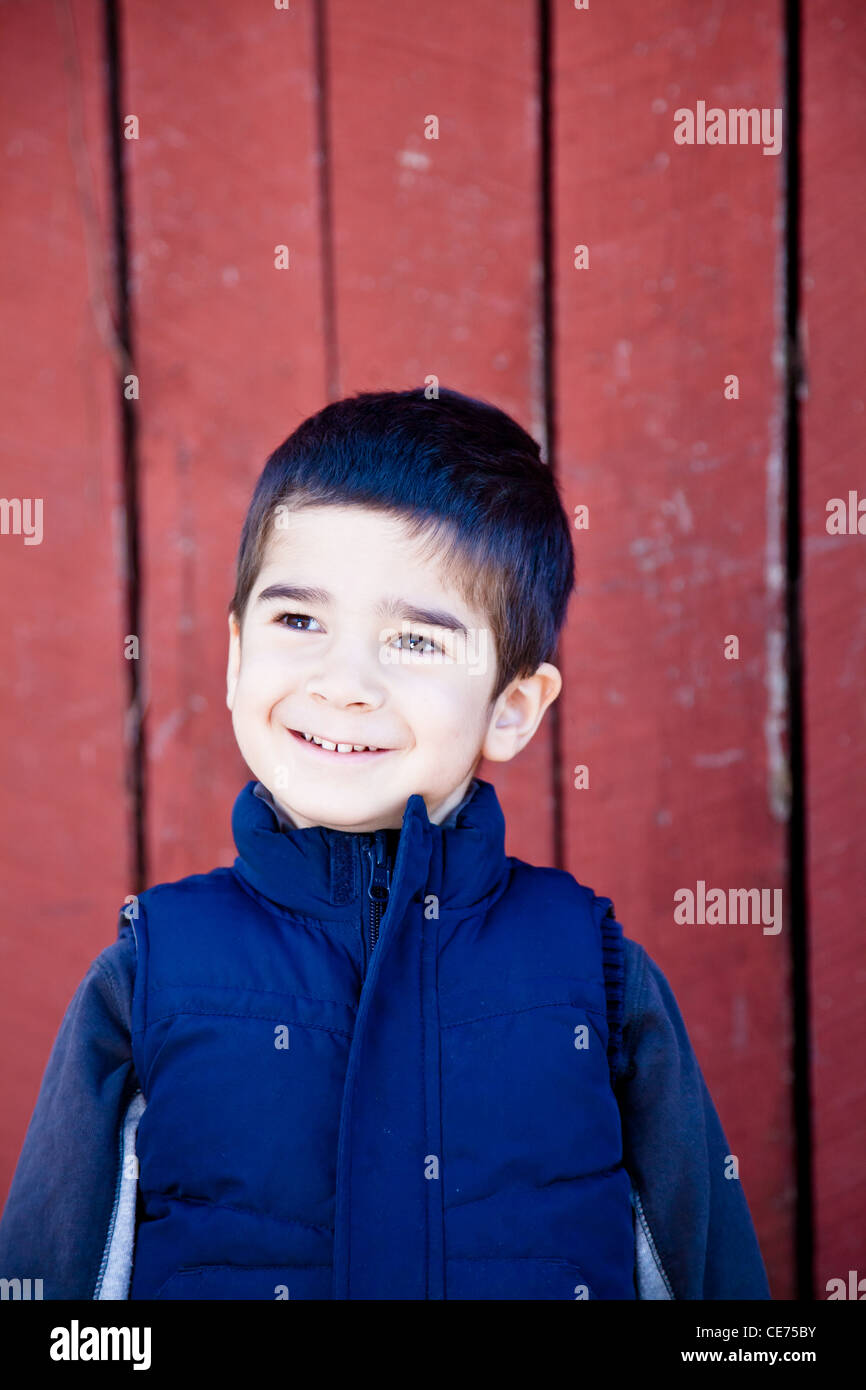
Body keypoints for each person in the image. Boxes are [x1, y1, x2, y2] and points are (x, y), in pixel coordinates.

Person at [0, 387, 771, 1300]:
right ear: (238, 651)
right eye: (299, 622)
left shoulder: (593, 978)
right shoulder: (152, 975)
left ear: (513, 709)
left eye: (413, 641)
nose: (345, 682)